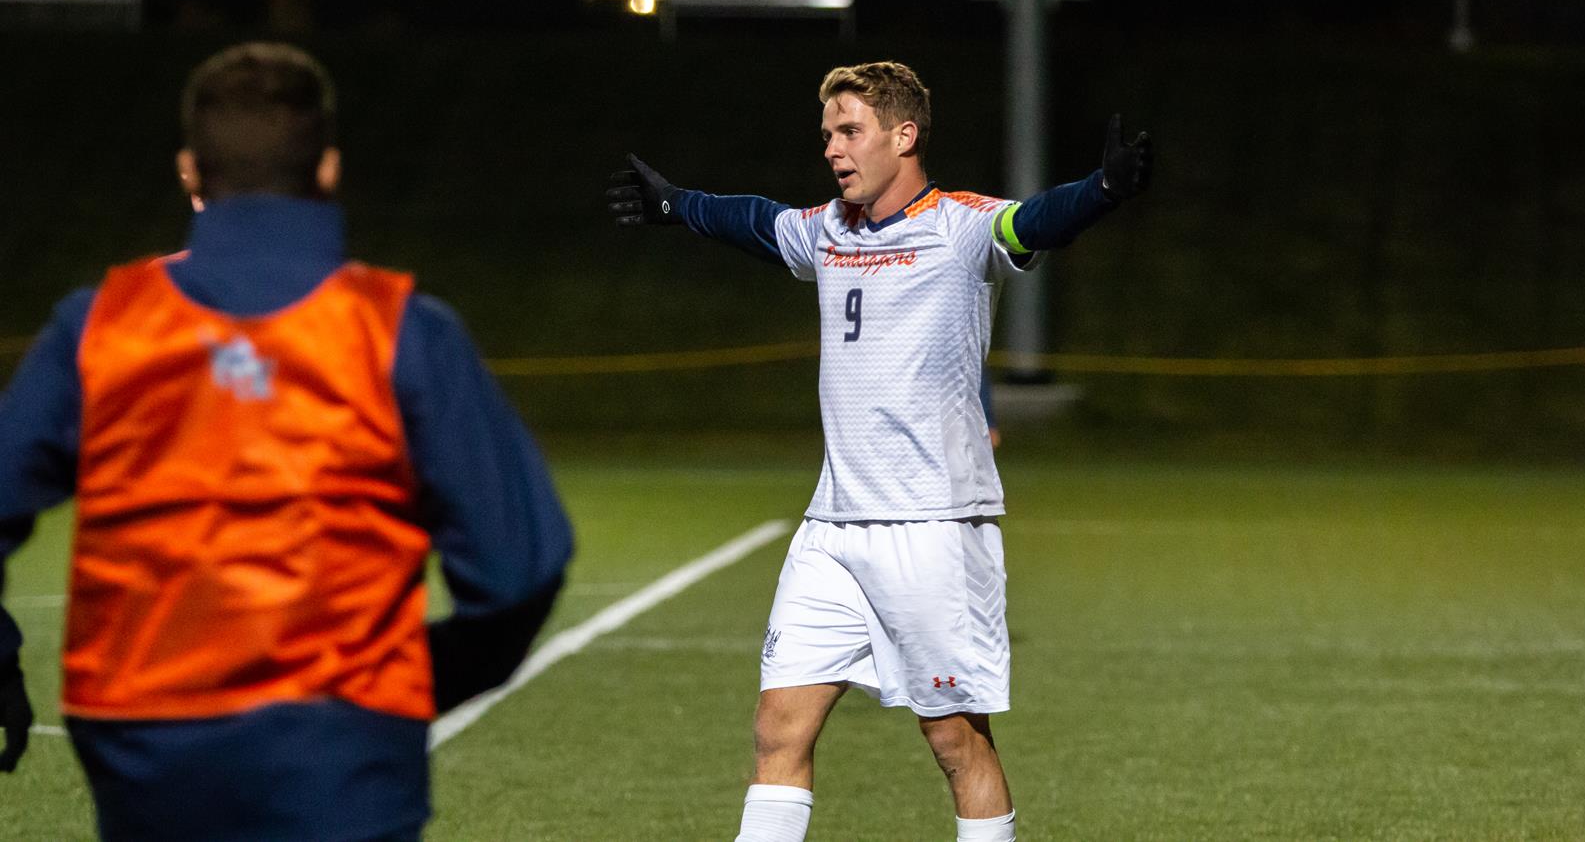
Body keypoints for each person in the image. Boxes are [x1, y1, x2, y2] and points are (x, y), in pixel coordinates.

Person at [0, 42, 572, 840]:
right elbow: (520, 568)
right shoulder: (404, 331)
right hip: (341, 740)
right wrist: (412, 684)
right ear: (328, 168)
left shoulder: (98, 325)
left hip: (141, 734)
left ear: (190, 172)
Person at [607, 61, 1150, 842]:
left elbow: (1034, 221)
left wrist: (1101, 192)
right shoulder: (828, 231)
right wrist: (674, 204)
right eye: (827, 133)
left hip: (932, 526)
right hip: (831, 529)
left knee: (955, 739)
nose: (832, 148)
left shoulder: (961, 226)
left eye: (850, 130)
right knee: (778, 728)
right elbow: (755, 220)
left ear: (905, 135)